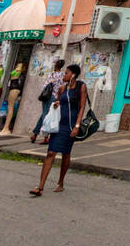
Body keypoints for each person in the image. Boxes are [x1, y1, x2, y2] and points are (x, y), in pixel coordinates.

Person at [30, 64, 88, 196]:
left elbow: (82, 107)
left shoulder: (81, 87)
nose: (64, 76)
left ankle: (61, 182)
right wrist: (57, 104)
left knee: (66, 154)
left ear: (73, 75)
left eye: (66, 73)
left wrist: (77, 126)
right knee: (51, 152)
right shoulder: (62, 88)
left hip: (71, 124)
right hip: (59, 124)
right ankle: (40, 187)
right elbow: (58, 101)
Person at [30, 59, 67, 144]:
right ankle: (35, 134)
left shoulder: (52, 75)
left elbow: (45, 86)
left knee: (45, 115)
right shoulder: (63, 75)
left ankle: (46, 136)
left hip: (49, 97)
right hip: (57, 97)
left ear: (55, 66)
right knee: (44, 114)